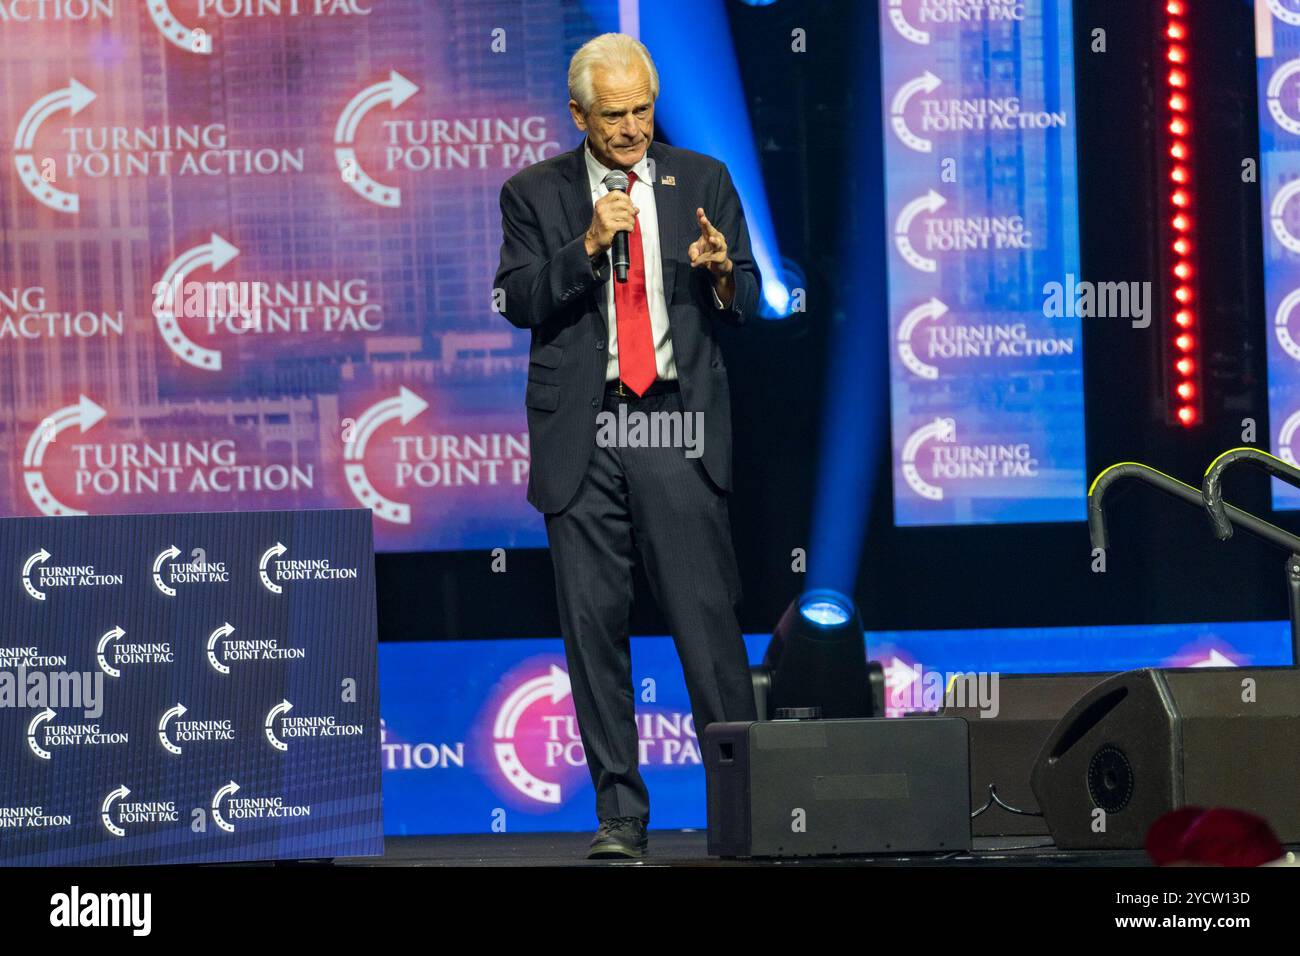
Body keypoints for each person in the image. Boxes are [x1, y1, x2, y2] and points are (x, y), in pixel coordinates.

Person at [493, 32, 761, 858]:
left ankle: (748, 810)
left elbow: (747, 294)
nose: (634, 127)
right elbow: (515, 297)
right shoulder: (534, 193)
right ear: (579, 114)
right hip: (586, 428)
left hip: (671, 420)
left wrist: (721, 270)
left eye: (644, 109)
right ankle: (620, 819)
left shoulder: (703, 180)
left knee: (706, 625)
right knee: (594, 629)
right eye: (615, 115)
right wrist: (586, 249)